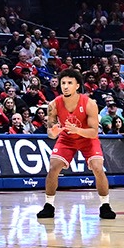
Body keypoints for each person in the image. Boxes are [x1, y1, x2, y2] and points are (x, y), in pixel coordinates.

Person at [37, 71, 114, 221]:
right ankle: (49, 205)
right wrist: (53, 132)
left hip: (86, 138)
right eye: (63, 83)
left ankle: (105, 205)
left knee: (98, 167)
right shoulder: (53, 105)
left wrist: (77, 130)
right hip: (67, 138)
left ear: (77, 86)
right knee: (53, 167)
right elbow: (51, 133)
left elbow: (93, 133)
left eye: (69, 83)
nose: (65, 86)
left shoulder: (89, 103)